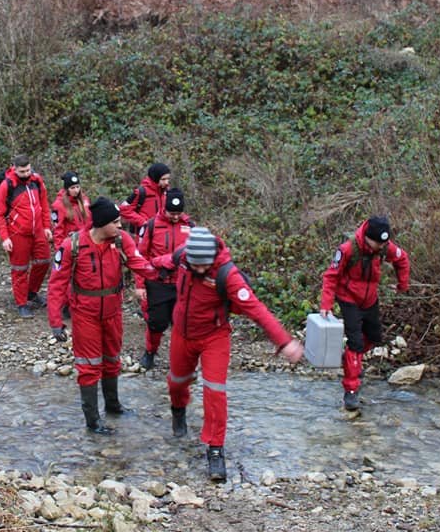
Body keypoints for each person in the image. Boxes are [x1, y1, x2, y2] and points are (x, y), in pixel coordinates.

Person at [153, 227, 303, 482]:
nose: (200, 269)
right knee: (176, 382)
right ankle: (178, 411)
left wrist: (284, 342)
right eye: (195, 264)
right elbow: (161, 262)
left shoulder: (227, 275)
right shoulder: (182, 257)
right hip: (182, 334)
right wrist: (140, 263)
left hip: (215, 336)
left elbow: (257, 309)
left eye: (204, 265)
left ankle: (215, 449)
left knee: (215, 391)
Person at [47, 197, 158, 435]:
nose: (120, 226)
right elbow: (57, 284)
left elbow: (140, 264)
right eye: (115, 222)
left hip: (113, 312)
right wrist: (56, 322)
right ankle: (93, 421)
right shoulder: (72, 246)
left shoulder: (122, 241)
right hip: (84, 315)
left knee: (112, 359)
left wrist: (167, 272)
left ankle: (113, 406)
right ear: (101, 223)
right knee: (89, 366)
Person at [320, 216, 410, 411]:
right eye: (378, 243)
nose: (382, 247)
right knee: (356, 343)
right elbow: (330, 276)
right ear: (368, 238)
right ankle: (351, 390)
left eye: (384, 243)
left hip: (370, 299)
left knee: (374, 337)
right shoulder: (347, 250)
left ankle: (351, 360)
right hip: (348, 299)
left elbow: (402, 259)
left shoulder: (384, 247)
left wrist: (402, 284)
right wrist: (326, 304)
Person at [135, 188, 193, 370]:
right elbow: (140, 257)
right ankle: (150, 352)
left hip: (182, 284)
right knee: (156, 323)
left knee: (182, 324)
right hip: (157, 283)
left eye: (178, 213)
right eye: (171, 213)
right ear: (164, 209)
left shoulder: (191, 226)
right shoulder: (151, 225)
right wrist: (140, 285)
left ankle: (182, 358)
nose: (175, 217)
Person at [0, 154, 52, 317]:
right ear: (15, 169)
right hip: (18, 233)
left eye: (28, 170)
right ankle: (21, 303)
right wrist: (5, 237)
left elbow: (44, 205)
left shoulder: (36, 181)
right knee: (20, 269)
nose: (26, 174)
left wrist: (46, 226)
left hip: (38, 230)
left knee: (44, 261)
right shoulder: (7, 185)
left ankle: (31, 292)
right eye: (22, 171)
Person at [119, 162, 171, 234]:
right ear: (155, 178)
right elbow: (123, 209)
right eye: (163, 179)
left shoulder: (167, 192)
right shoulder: (141, 192)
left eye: (168, 179)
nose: (166, 182)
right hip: (143, 234)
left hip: (161, 233)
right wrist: (143, 222)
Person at [51, 171, 92, 249]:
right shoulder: (59, 205)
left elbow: (90, 221)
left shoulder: (84, 200)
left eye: (77, 187)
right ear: (67, 189)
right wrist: (60, 251)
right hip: (71, 244)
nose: (76, 190)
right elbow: (58, 231)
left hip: (87, 241)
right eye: (72, 188)